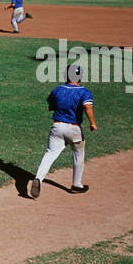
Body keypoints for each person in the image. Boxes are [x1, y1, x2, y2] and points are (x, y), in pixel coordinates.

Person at [31, 64, 97, 199]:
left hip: (57, 127)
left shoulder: (58, 90)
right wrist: (92, 123)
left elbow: (51, 106)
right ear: (80, 77)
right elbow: (88, 107)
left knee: (50, 154)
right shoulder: (84, 92)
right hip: (74, 129)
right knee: (78, 154)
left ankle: (38, 178)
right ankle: (76, 185)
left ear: (66, 75)